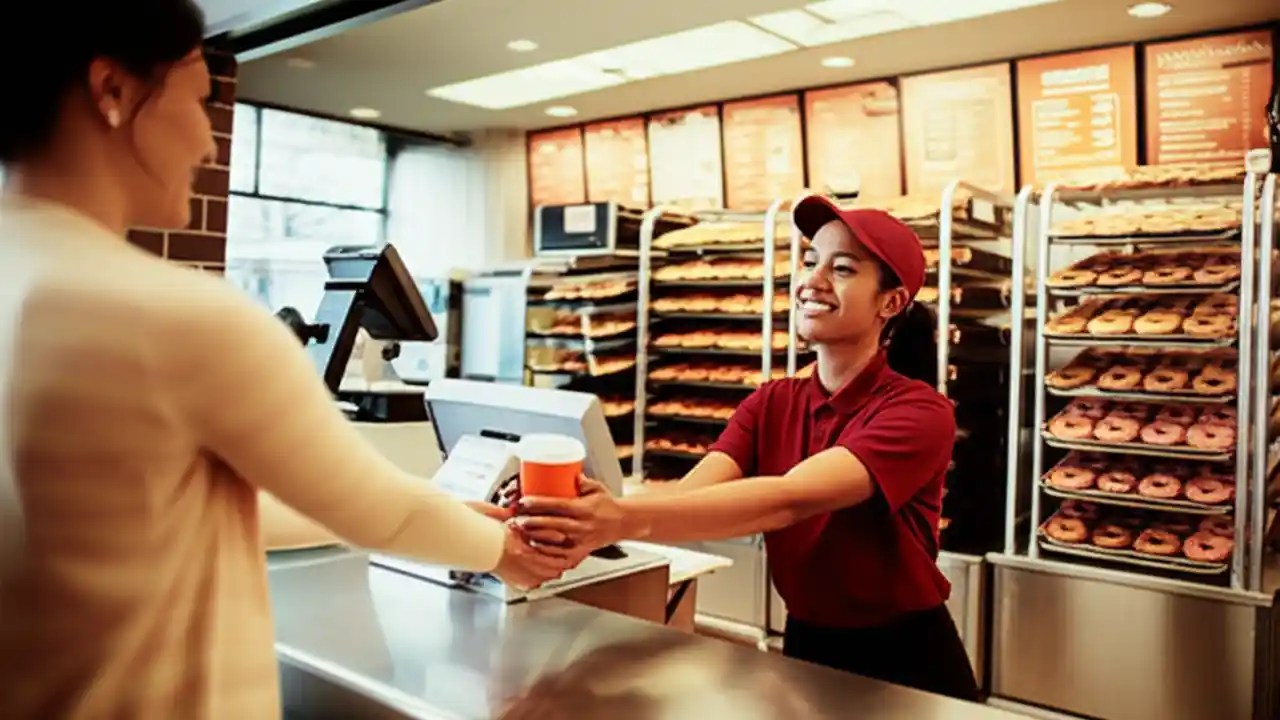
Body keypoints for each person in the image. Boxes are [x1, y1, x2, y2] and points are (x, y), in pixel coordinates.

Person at [0, 2, 568, 717]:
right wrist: (503, 549)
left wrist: (448, 514)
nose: (207, 141)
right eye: (200, 99)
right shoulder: (178, 315)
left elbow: (161, 512)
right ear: (112, 91)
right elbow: (379, 512)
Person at [518, 197, 980, 701]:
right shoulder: (771, 402)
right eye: (810, 260)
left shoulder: (919, 412)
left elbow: (789, 499)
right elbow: (691, 494)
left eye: (842, 268)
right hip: (806, 638)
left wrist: (619, 518)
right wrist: (591, 512)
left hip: (906, 656)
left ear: (890, 303)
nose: (814, 279)